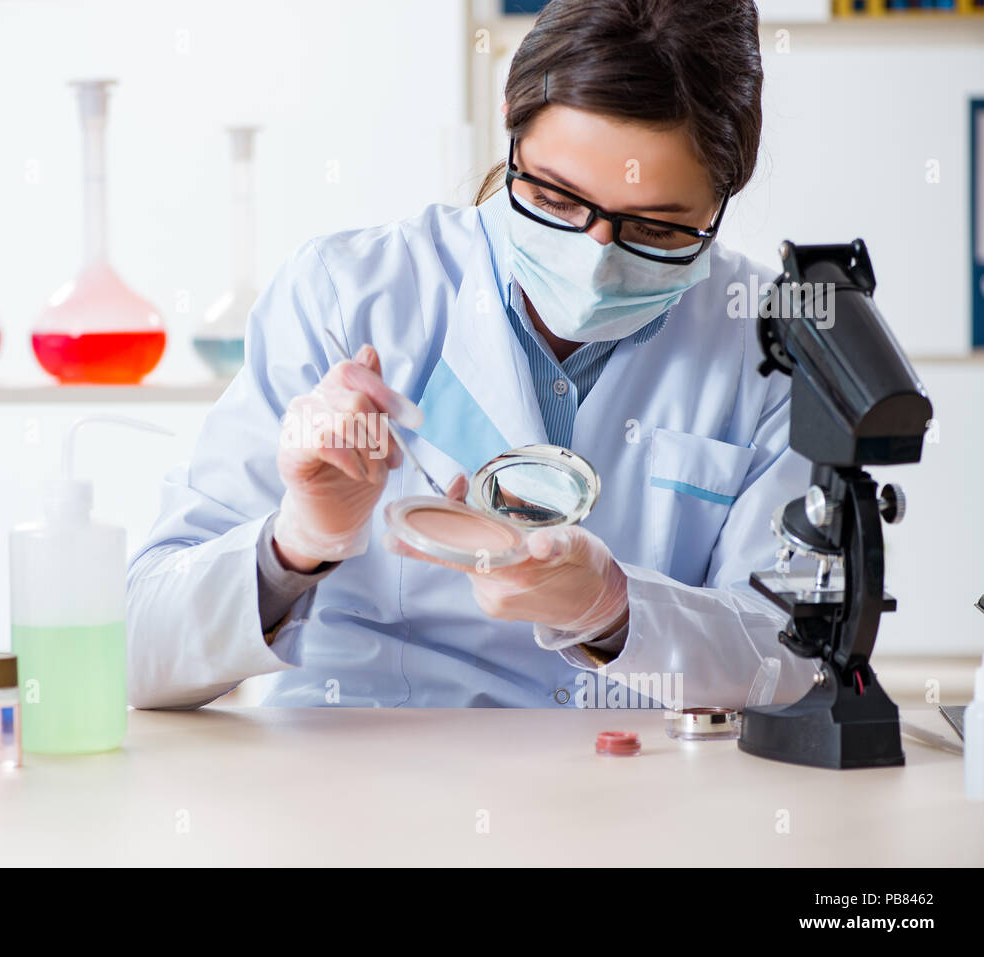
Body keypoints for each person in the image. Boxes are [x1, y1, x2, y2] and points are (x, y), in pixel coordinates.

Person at [127, 0, 816, 709]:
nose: (596, 259)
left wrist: (614, 609)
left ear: (722, 197)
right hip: (359, 790)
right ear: (510, 123)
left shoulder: (771, 341)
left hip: (636, 787)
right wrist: (295, 544)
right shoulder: (348, 299)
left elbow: (794, 655)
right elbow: (139, 652)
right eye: (555, 198)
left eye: (657, 230)